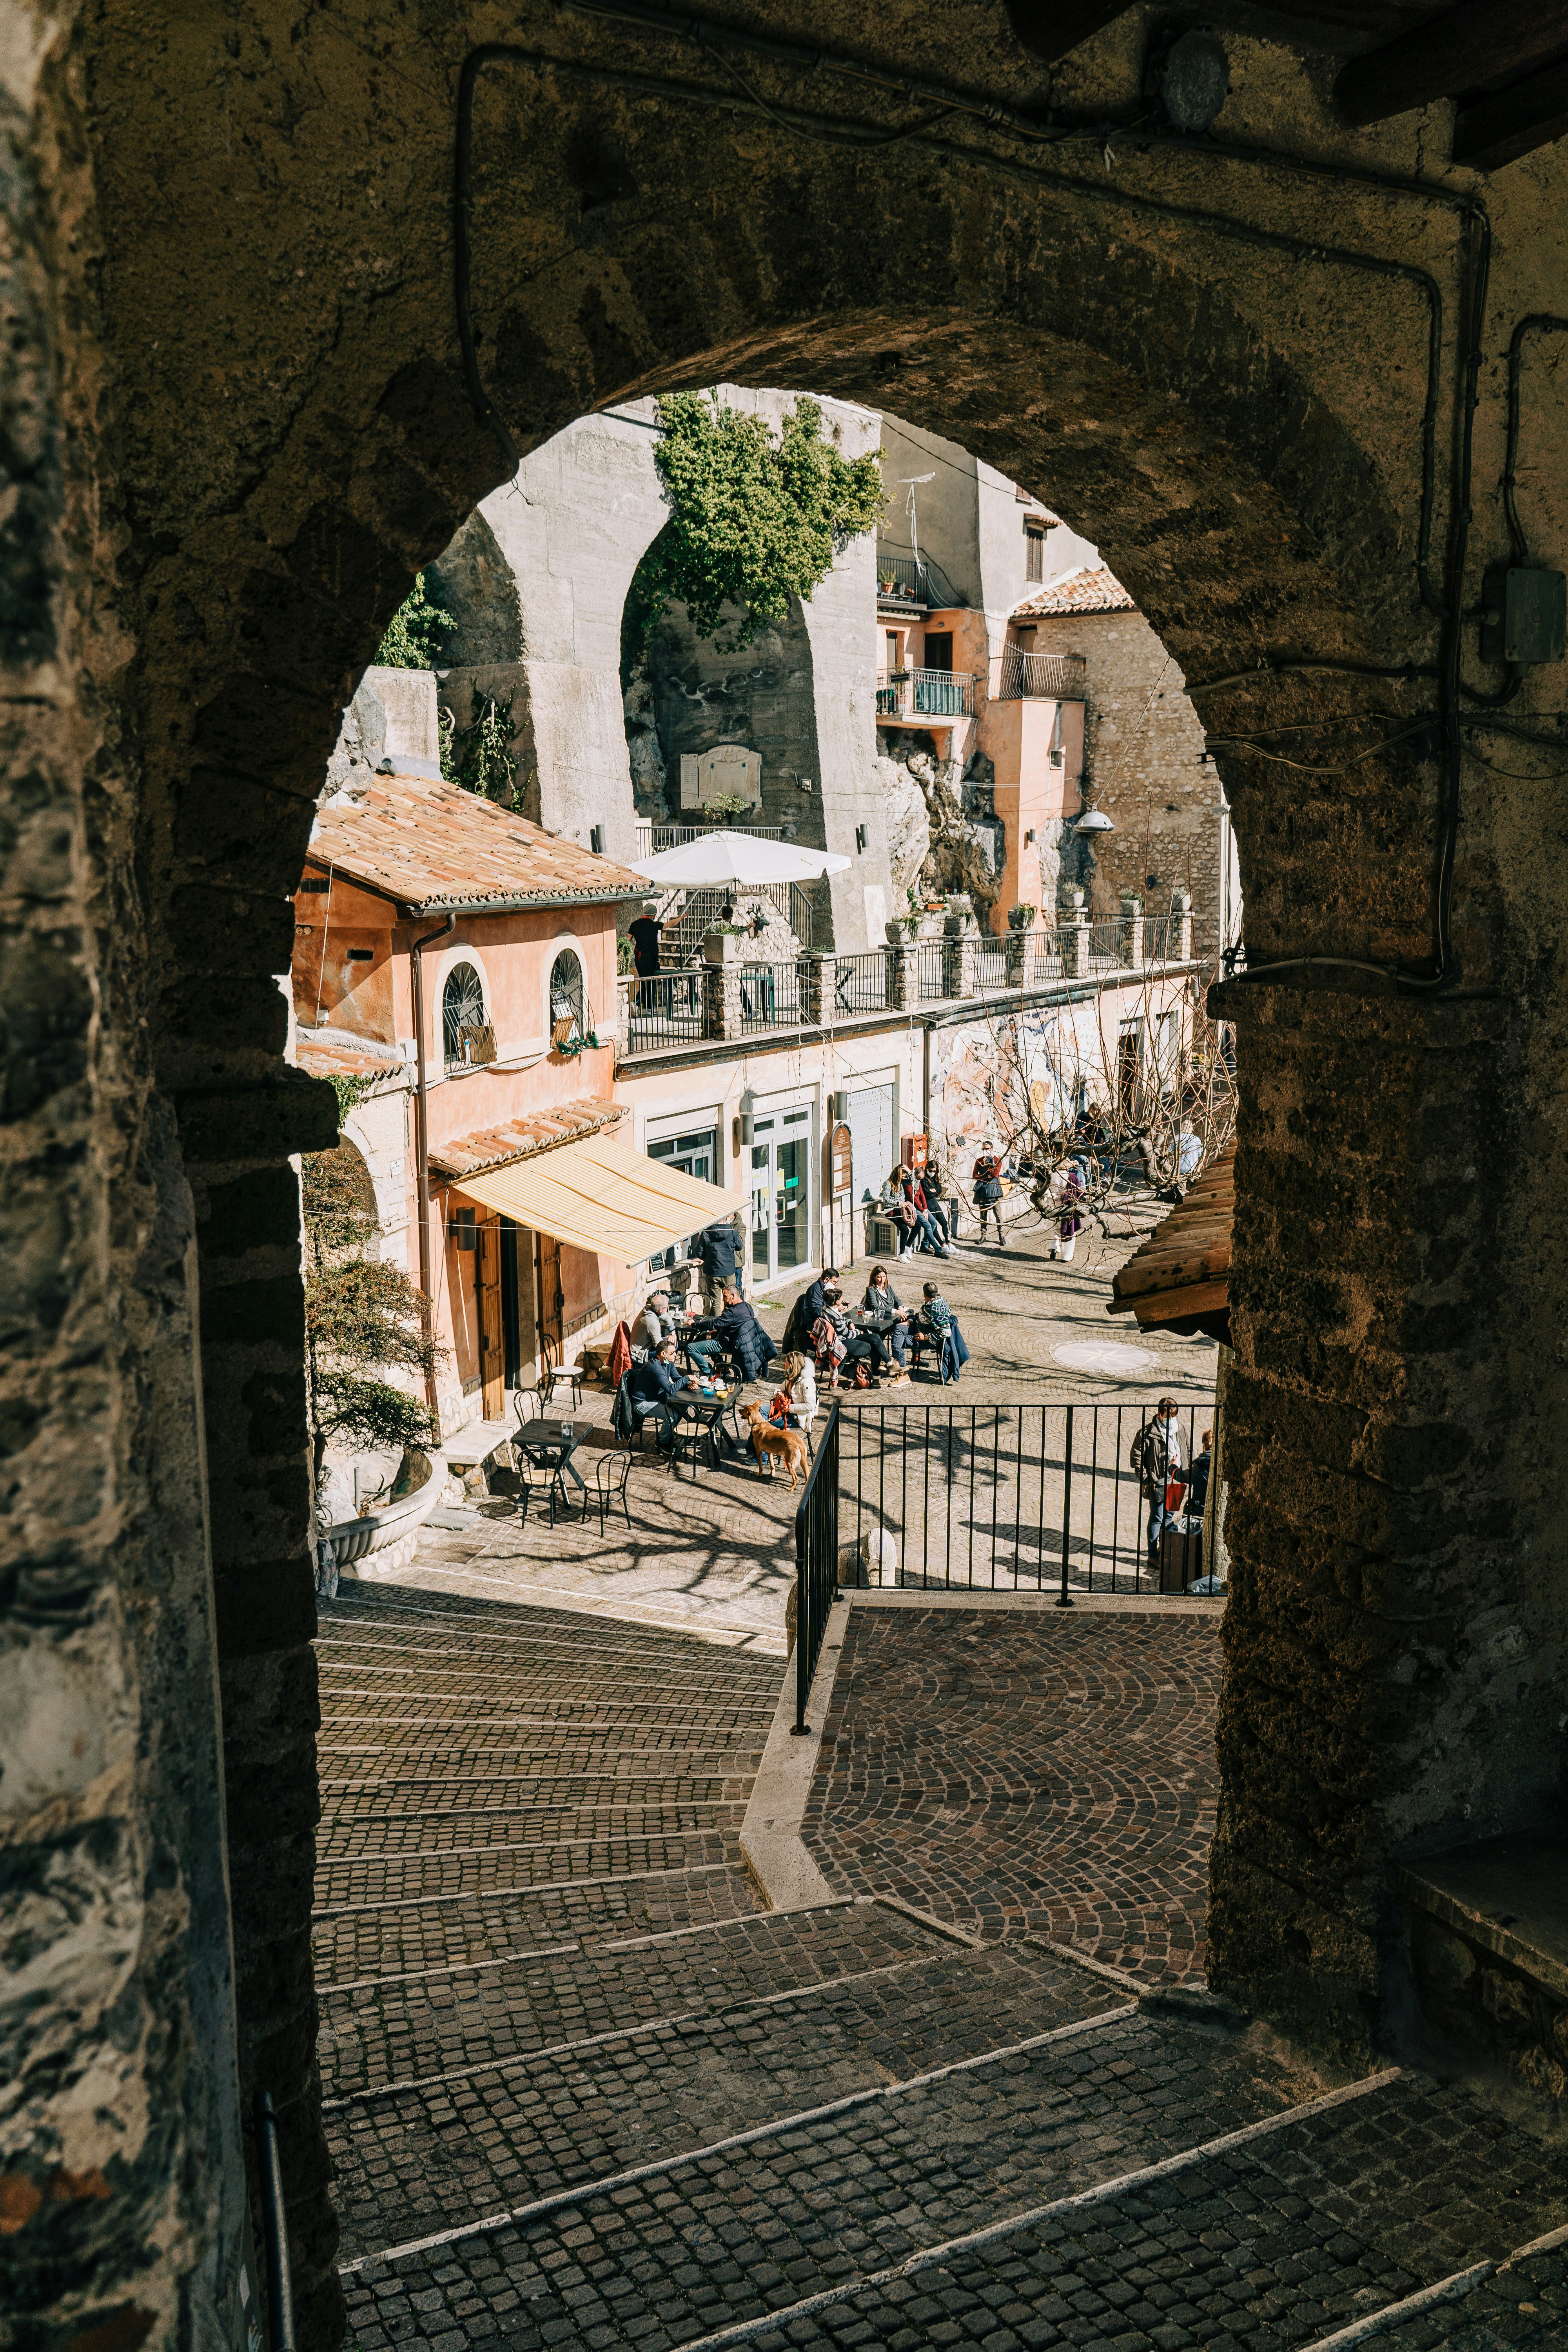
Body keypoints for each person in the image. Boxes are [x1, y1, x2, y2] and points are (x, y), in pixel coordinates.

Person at [1131, 1397, 1191, 1577]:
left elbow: (1187, 1449)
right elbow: (1136, 1458)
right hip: (1158, 1482)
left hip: (1178, 1481)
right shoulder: (1147, 1433)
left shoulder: (1180, 1429)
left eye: (1174, 1416)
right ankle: (1153, 1554)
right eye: (1169, 1417)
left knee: (1170, 1516)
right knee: (1157, 1517)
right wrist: (1147, 1479)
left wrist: (1186, 1472)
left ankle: (1164, 1548)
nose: (1172, 1420)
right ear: (1159, 1415)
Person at [690, 1286, 776, 1381]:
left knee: (690, 1348)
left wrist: (694, 1324)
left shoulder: (733, 1312)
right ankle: (723, 1368)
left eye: (725, 1296)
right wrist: (718, 1331)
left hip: (724, 1344)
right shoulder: (747, 1307)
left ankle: (711, 1374)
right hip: (731, 1339)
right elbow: (734, 1326)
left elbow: (714, 1323)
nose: (723, 1299)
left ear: (733, 1296)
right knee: (703, 1336)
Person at [627, 1337, 690, 1450]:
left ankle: (669, 1435)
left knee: (681, 1408)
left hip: (657, 1398)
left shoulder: (668, 1362)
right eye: (672, 1353)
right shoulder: (655, 1368)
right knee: (672, 1416)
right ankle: (662, 1443)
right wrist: (687, 1378)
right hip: (643, 1403)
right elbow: (670, 1389)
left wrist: (688, 1384)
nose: (675, 1355)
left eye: (675, 1352)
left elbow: (676, 1378)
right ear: (663, 1354)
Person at [861, 1265, 913, 1374]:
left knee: (911, 1315)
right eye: (879, 1277)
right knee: (896, 1331)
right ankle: (894, 1362)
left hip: (895, 1318)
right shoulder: (871, 1290)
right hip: (883, 1319)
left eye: (884, 1277)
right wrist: (895, 1311)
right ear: (874, 1277)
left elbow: (897, 1300)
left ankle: (905, 1358)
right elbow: (876, 1307)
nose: (882, 1280)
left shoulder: (888, 1288)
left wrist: (901, 1308)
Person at [699, 1213, 745, 1311]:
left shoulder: (706, 1232)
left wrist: (708, 1257)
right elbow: (739, 1247)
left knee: (716, 1302)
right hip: (728, 1271)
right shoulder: (732, 1232)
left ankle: (716, 1326)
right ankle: (729, 1325)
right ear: (727, 1218)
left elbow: (699, 1252)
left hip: (712, 1272)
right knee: (729, 1301)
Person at [769, 1349, 817, 1431]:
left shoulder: (807, 1381)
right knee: (761, 1411)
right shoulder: (792, 1376)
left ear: (792, 1365)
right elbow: (781, 1388)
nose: (784, 1365)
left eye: (786, 1362)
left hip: (798, 1418)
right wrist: (778, 1393)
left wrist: (789, 1408)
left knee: (761, 1422)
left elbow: (811, 1405)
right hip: (785, 1410)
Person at [910, 1280, 952, 1371]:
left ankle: (899, 1367)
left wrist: (925, 1337)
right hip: (923, 1329)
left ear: (925, 1295)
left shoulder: (934, 1309)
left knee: (901, 1338)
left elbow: (946, 1332)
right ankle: (915, 1358)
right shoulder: (941, 1301)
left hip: (931, 1341)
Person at [972, 1142, 1005, 1245]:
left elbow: (995, 1175)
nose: (985, 1151)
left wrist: (990, 1164)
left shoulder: (997, 1161)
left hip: (995, 1190)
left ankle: (1001, 1235)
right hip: (983, 1192)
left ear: (992, 1149)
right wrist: (984, 1177)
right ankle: (983, 1236)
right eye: (983, 1149)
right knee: (983, 1215)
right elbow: (974, 1175)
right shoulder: (979, 1161)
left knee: (998, 1215)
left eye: (987, 1148)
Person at [1052, 1163, 1085, 1263]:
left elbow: (1047, 1193)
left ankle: (1054, 1247)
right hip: (1069, 1208)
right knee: (1069, 1231)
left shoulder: (1051, 1176)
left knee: (1056, 1228)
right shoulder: (1073, 1177)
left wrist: (1057, 1197)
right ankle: (1066, 1256)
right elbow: (1080, 1194)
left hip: (1054, 1207)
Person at [920, 1161, 953, 1247]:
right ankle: (941, 1244)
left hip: (935, 1202)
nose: (932, 1173)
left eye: (935, 1171)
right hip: (929, 1203)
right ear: (927, 1169)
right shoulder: (924, 1179)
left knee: (944, 1222)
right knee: (934, 1224)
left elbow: (940, 1189)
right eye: (931, 1171)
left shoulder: (935, 1178)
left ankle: (948, 1242)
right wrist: (934, 1191)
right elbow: (927, 1193)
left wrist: (934, 1190)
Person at [635, 1289, 676, 1354]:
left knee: (672, 1343)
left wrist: (673, 1333)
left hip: (648, 1343)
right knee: (672, 1347)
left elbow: (666, 1316)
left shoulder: (650, 1308)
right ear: (661, 1310)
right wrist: (668, 1341)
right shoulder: (652, 1322)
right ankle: (664, 1364)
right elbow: (658, 1346)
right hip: (642, 1352)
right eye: (667, 1307)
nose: (668, 1308)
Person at [628, 903, 662, 979]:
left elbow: (628, 939)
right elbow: (671, 924)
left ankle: (644, 991)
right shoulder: (655, 925)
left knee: (643, 981)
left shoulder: (634, 924)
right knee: (652, 981)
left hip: (639, 958)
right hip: (651, 957)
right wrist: (681, 918)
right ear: (653, 915)